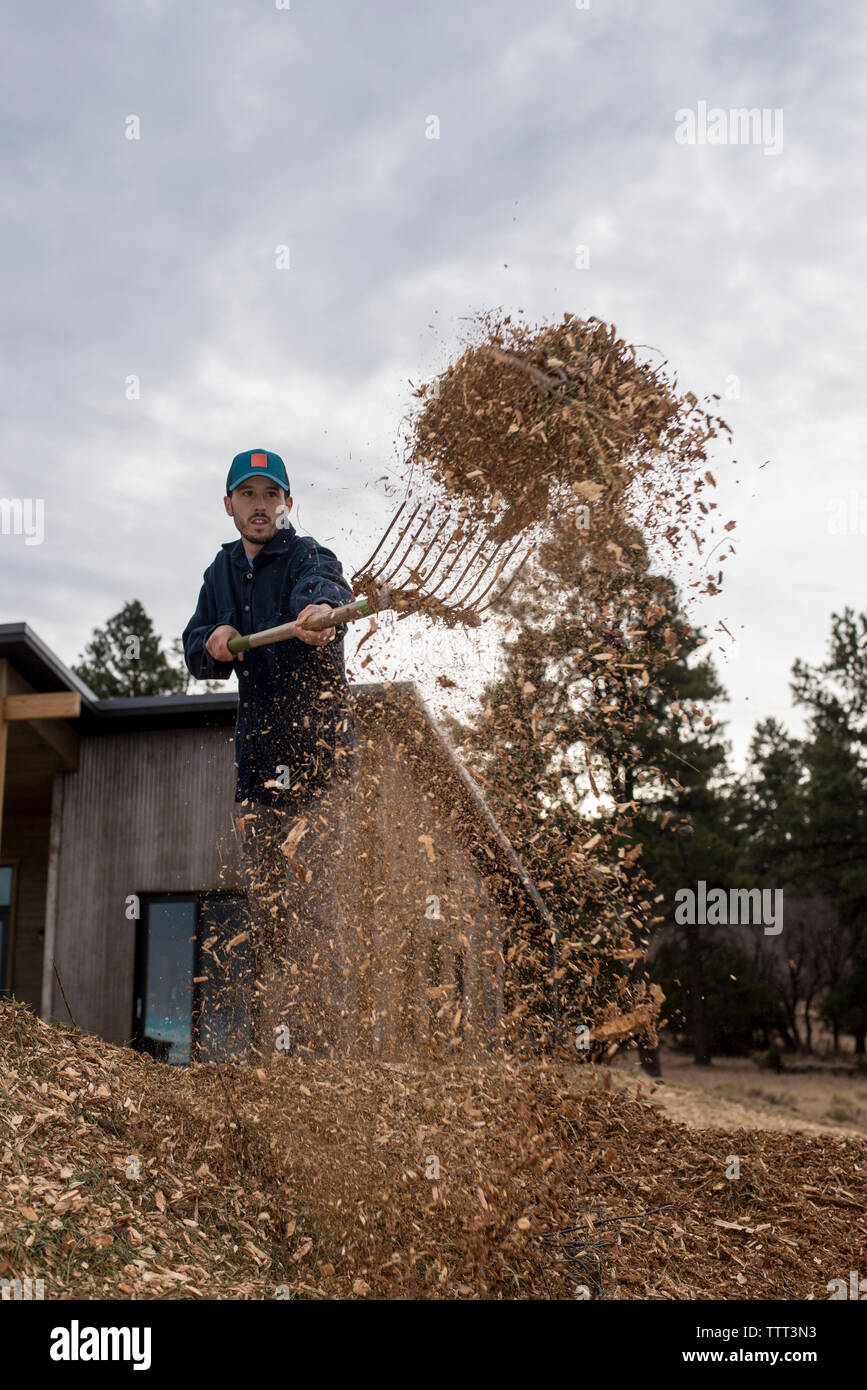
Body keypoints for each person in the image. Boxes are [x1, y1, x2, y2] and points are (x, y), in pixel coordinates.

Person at [182, 448, 358, 1061]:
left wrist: (319, 614)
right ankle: (273, 1052)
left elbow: (327, 589)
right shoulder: (220, 573)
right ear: (229, 505)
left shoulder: (309, 556)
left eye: (270, 494)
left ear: (287, 503)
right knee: (269, 915)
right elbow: (193, 648)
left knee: (315, 911)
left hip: (318, 767)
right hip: (257, 773)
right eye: (248, 494)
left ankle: (326, 1057)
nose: (260, 506)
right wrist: (214, 639)